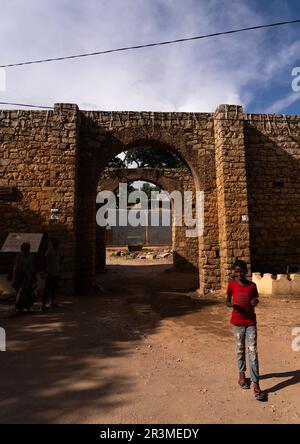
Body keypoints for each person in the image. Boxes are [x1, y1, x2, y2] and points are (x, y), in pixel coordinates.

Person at [226, 259, 265, 401]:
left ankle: (256, 384)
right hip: (237, 323)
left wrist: (255, 301)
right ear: (233, 272)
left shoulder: (252, 286)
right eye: (236, 271)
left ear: (246, 272)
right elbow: (227, 300)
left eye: (242, 271)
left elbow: (255, 298)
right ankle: (242, 374)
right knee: (240, 349)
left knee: (253, 351)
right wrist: (231, 305)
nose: (239, 274)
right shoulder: (231, 285)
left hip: (250, 323)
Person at [13, 242, 36, 313]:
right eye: (25, 248)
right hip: (20, 277)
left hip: (29, 277)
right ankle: (20, 308)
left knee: (28, 292)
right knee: (21, 293)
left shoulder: (31, 256)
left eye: (27, 248)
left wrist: (34, 276)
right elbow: (16, 267)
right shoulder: (18, 256)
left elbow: (33, 266)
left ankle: (28, 308)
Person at [42, 238, 61, 310]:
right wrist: (46, 270)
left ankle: (51, 301)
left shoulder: (58, 251)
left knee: (53, 288)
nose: (56, 245)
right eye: (55, 243)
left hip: (56, 272)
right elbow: (45, 260)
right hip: (50, 272)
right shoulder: (49, 251)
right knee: (47, 288)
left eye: (57, 243)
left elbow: (58, 260)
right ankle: (43, 303)